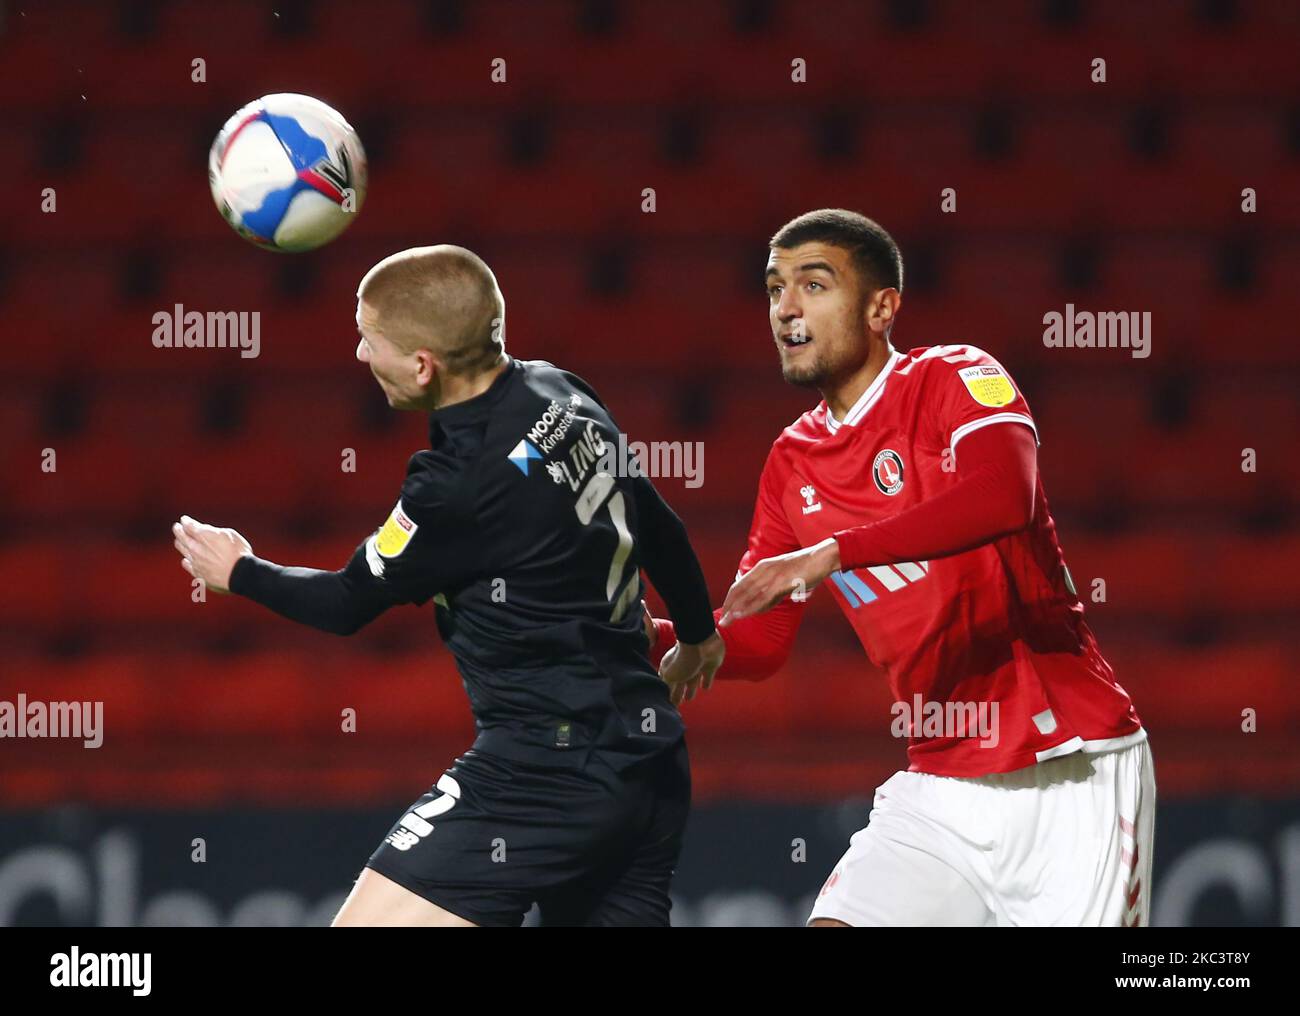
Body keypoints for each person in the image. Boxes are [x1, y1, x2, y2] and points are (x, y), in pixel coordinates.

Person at [171, 244, 724, 926]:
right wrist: (699, 635)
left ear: (422, 365)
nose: (360, 355)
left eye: (370, 340)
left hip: (542, 772)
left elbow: (346, 604)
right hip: (650, 758)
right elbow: (659, 528)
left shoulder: (456, 485)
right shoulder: (565, 390)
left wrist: (240, 572)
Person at [652, 209, 1155, 927]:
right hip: (940, 784)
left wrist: (835, 550)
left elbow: (1003, 495)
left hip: (1069, 767)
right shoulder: (791, 461)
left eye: (813, 285)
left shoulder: (954, 377)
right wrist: (650, 638)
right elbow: (762, 644)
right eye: (773, 289)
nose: (785, 308)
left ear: (882, 306)